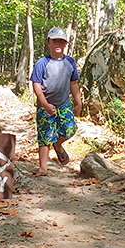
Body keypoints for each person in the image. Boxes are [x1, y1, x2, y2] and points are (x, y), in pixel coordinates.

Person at [30, 27, 82, 177]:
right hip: (45, 106)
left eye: (61, 41)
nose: (58, 43)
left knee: (70, 128)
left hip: (64, 104)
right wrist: (45, 104)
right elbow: (36, 86)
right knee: (45, 136)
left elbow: (74, 83)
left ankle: (58, 144)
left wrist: (78, 103)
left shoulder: (70, 62)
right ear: (48, 43)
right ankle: (43, 168)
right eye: (54, 40)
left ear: (66, 43)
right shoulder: (42, 62)